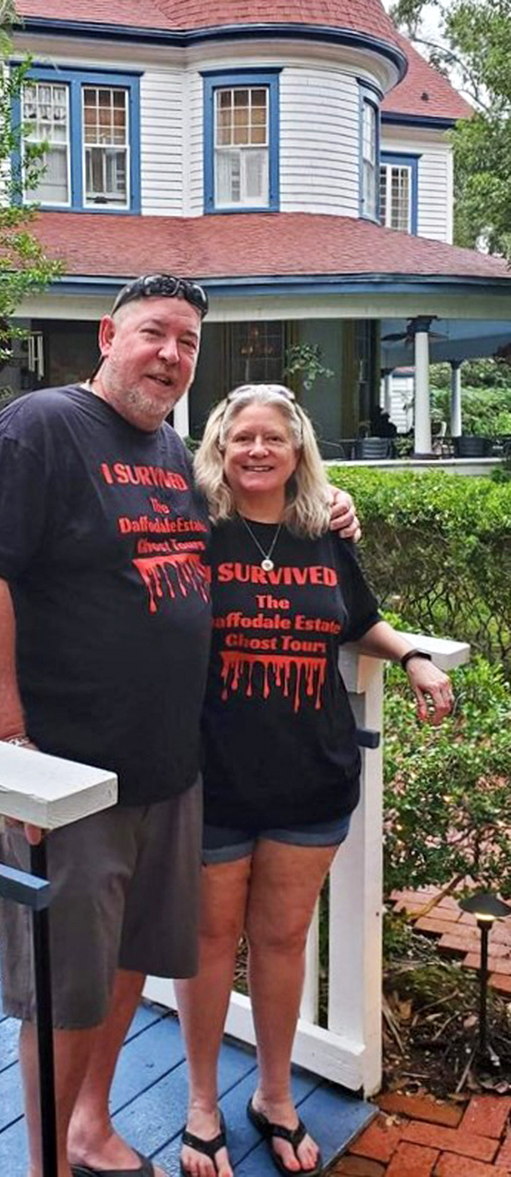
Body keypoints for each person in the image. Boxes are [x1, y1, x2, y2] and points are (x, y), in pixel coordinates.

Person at [0, 279, 358, 1177]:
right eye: (154, 334)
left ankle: (91, 1126)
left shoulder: (171, 452)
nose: (171, 355)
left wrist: (328, 509)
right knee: (65, 993)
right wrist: (7, 748)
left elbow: (250, 512)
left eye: (188, 343)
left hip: (168, 771)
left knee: (128, 961)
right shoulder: (42, 428)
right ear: (109, 334)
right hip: (69, 775)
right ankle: (50, 1162)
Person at [175, 384, 453, 1177]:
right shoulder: (194, 529)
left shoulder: (322, 531)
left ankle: (273, 1094)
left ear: (299, 453)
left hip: (312, 775)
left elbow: (357, 616)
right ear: (219, 451)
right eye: (242, 439)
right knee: (207, 941)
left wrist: (411, 655)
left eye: (274, 439)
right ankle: (200, 1100)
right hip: (213, 775)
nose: (257, 450)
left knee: (282, 938)